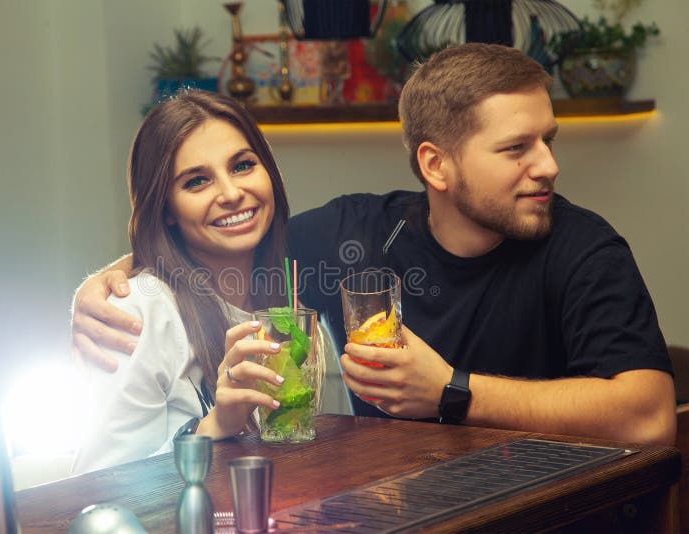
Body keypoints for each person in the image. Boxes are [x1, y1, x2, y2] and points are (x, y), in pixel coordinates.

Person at [71, 44, 675, 446]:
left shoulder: (584, 247)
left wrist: (450, 390)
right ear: (435, 166)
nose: (548, 166)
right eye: (517, 148)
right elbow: (225, 239)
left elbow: (649, 417)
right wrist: (124, 278)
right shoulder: (351, 235)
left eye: (549, 140)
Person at [71, 90, 330, 474]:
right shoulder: (138, 314)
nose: (231, 193)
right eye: (196, 181)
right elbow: (98, 493)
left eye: (242, 166)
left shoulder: (292, 293)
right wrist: (211, 428)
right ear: (166, 209)